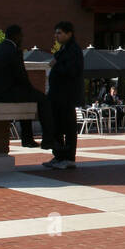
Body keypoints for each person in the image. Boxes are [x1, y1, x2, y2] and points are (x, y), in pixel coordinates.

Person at [0, 25, 54, 149]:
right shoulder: (15, 51)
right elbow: (21, 75)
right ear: (16, 36)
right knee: (43, 99)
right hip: (8, 93)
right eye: (21, 35)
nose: (22, 38)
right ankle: (47, 140)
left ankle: (27, 139)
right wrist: (31, 90)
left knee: (27, 97)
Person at [44, 21, 84, 169]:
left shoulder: (74, 50)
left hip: (67, 97)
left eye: (59, 33)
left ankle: (68, 158)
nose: (56, 35)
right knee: (57, 126)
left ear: (69, 34)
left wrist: (56, 64)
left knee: (68, 127)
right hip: (56, 96)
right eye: (56, 33)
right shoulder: (63, 49)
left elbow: (72, 72)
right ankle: (59, 156)